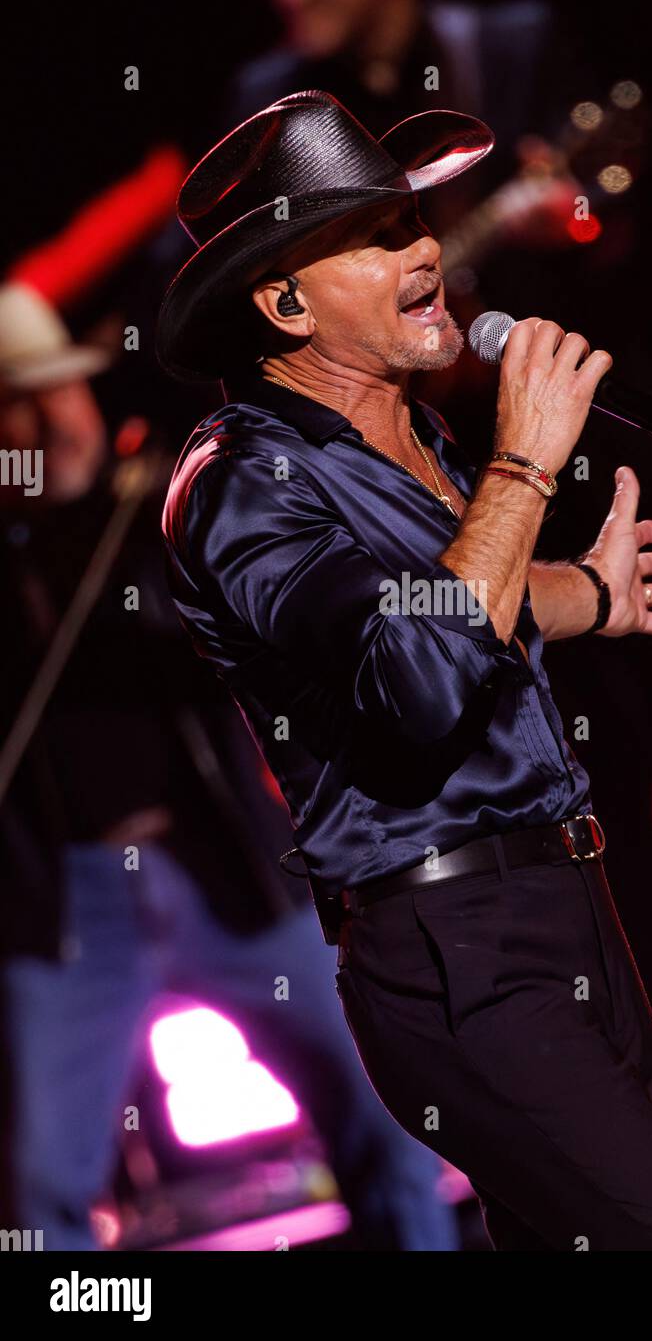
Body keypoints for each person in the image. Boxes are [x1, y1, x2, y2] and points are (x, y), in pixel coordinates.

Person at [156, 90, 652, 1251]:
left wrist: (593, 595)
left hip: (573, 907)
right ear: (284, 301)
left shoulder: (415, 436)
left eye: (413, 220)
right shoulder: (237, 485)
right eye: (373, 236)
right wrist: (523, 463)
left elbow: (474, 605)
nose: (427, 247)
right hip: (454, 941)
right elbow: (414, 681)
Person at [0, 281, 459, 1251]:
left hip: (224, 867)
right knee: (39, 1187)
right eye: (19, 400)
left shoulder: (166, 505)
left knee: (388, 1112)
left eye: (65, 388)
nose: (55, 417)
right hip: (71, 908)